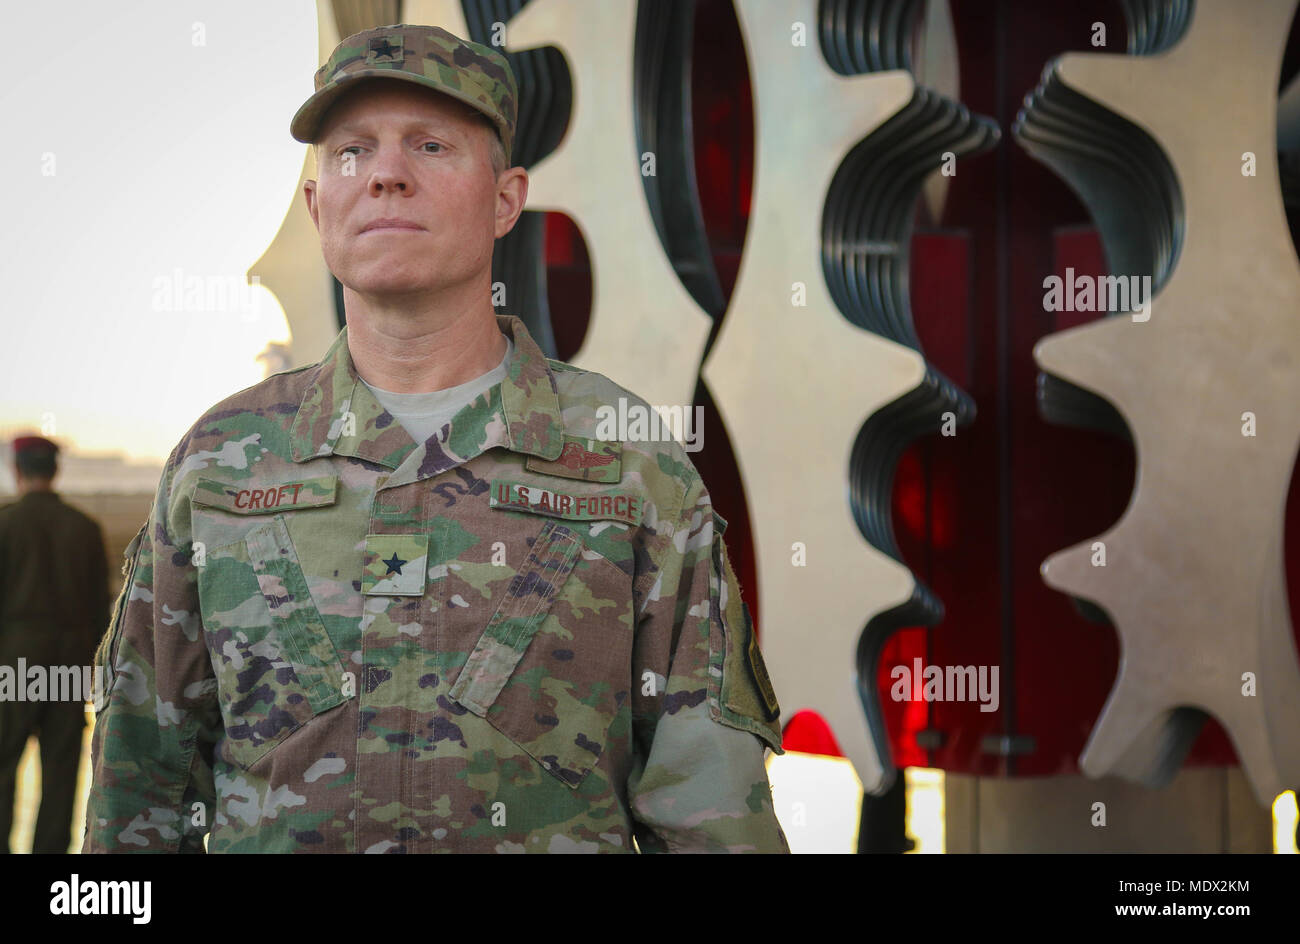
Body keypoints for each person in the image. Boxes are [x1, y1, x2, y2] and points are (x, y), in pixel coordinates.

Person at [83, 23, 787, 853]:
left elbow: (710, 805)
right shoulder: (221, 465)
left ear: (506, 199)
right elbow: (141, 793)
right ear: (318, 206)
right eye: (351, 151)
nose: (385, 175)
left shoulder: (628, 462)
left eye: (430, 145)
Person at [0, 435, 109, 853]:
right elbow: (103, 614)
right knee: (62, 774)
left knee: (3, 767)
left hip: (15, 665)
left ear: (17, 469)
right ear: (55, 470)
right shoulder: (84, 528)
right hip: (68, 667)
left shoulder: (5, 523)